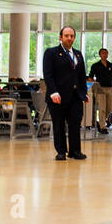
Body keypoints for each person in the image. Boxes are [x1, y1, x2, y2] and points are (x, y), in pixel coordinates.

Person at [42, 26, 87, 160]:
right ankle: (61, 151)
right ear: (60, 37)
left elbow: (81, 76)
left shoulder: (78, 54)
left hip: (75, 97)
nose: (69, 38)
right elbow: (48, 75)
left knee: (75, 124)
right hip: (58, 96)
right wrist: (53, 92)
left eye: (72, 36)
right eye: (66, 35)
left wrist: (83, 93)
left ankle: (75, 151)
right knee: (59, 124)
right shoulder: (51, 53)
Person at [88, 47, 112, 134]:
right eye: (103, 53)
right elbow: (90, 78)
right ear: (100, 55)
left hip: (110, 88)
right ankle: (102, 126)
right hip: (100, 89)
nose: (105, 55)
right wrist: (94, 85)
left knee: (109, 108)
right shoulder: (95, 65)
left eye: (106, 53)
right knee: (102, 108)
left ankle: (102, 122)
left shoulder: (111, 65)